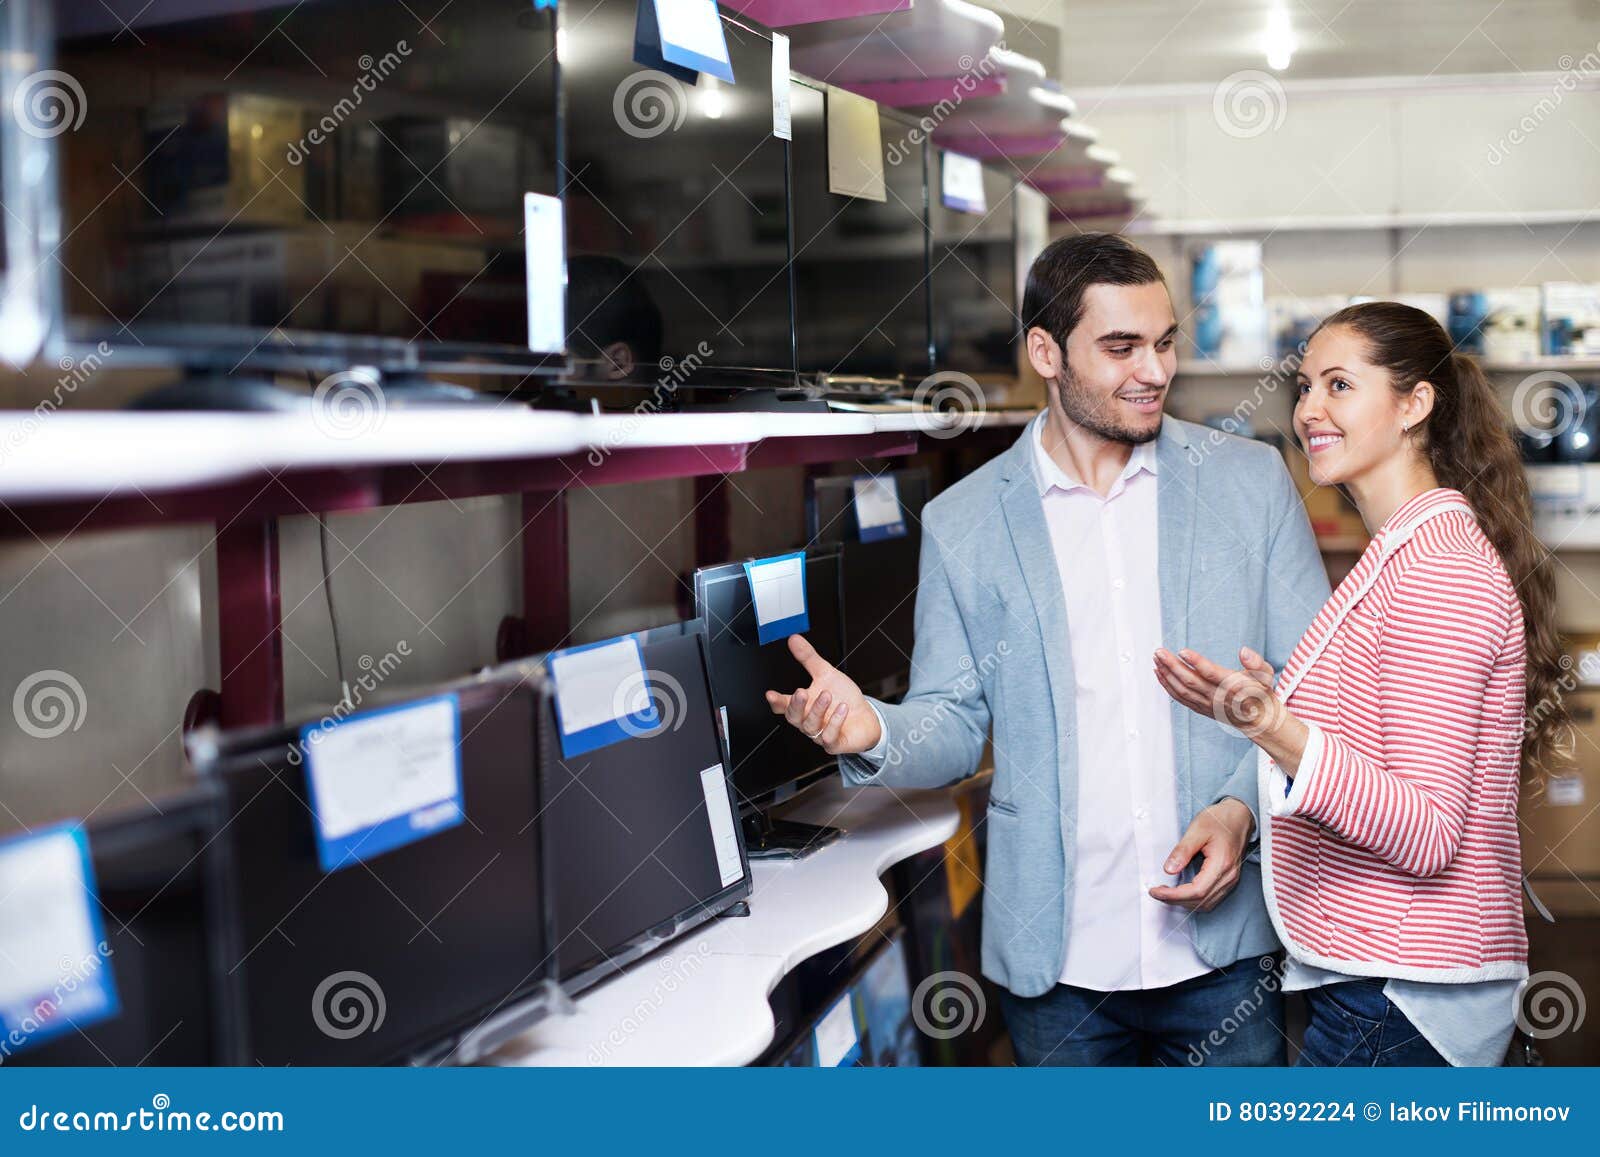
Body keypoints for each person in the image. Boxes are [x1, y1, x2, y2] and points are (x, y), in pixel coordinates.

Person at [764, 232, 1330, 1065]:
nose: (1155, 371)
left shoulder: (1249, 482)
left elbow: (1319, 688)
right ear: (1045, 352)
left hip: (1225, 949)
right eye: (1120, 346)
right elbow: (955, 722)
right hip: (1057, 966)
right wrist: (873, 732)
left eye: (1165, 342)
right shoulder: (965, 522)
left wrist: (1242, 809)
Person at [1155, 301, 1563, 1066]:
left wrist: (1268, 724)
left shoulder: (1437, 571)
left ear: (1415, 404)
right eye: (1306, 385)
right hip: (1390, 989)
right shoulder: (1404, 552)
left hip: (1403, 1002)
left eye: (1339, 385)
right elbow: (1386, 739)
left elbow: (1426, 830)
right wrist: (1290, 711)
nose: (1309, 408)